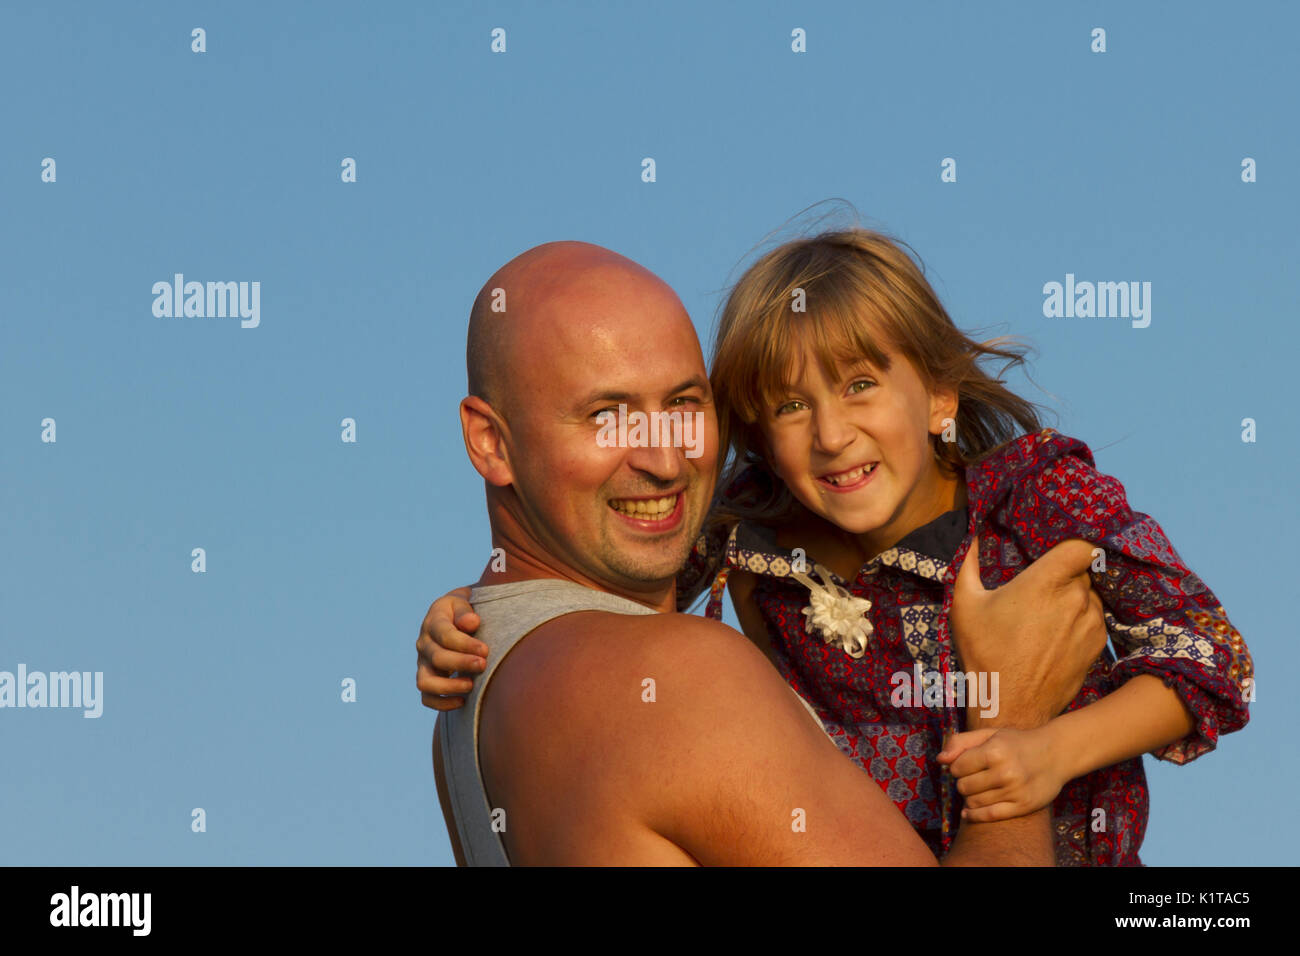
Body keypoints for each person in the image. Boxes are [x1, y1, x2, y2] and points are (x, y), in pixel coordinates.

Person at [425, 239, 1110, 866]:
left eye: (685, 405)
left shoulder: (474, 700)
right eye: (607, 417)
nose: (665, 460)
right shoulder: (682, 676)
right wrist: (1011, 722)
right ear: (490, 441)